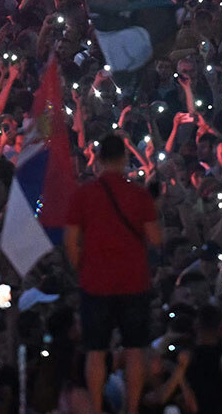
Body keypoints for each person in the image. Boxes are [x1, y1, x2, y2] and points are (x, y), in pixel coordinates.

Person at [65, 132, 162, 414]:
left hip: (95, 283)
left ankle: (96, 409)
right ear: (123, 158)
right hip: (134, 281)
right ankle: (131, 409)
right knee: (134, 348)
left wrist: (81, 269)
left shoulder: (84, 194)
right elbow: (155, 239)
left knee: (96, 350)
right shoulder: (139, 194)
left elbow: (70, 241)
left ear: (99, 160)